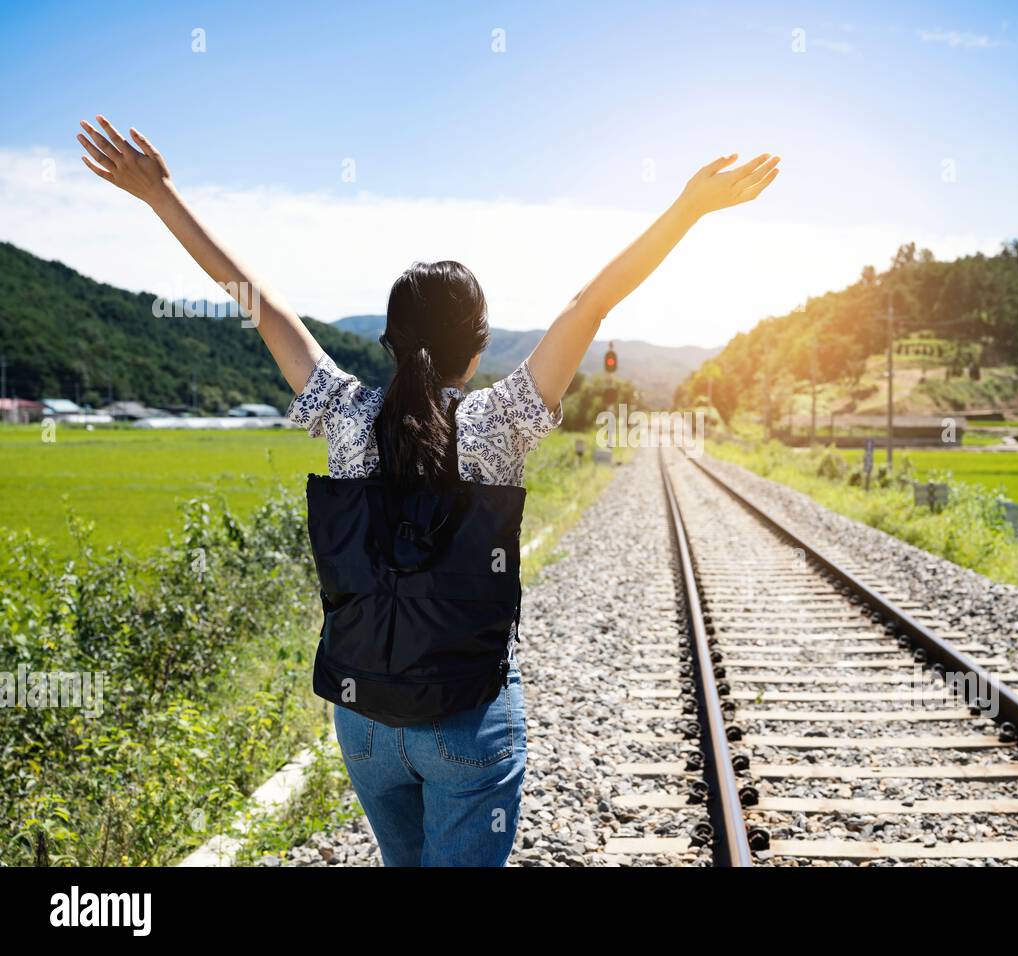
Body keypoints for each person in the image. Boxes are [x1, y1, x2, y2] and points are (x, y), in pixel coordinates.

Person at [76, 115, 780, 865]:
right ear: (477, 350)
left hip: (365, 721)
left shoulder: (345, 416)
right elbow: (588, 306)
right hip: (467, 718)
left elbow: (259, 302)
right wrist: (688, 209)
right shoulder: (500, 421)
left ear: (387, 340)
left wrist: (161, 196)